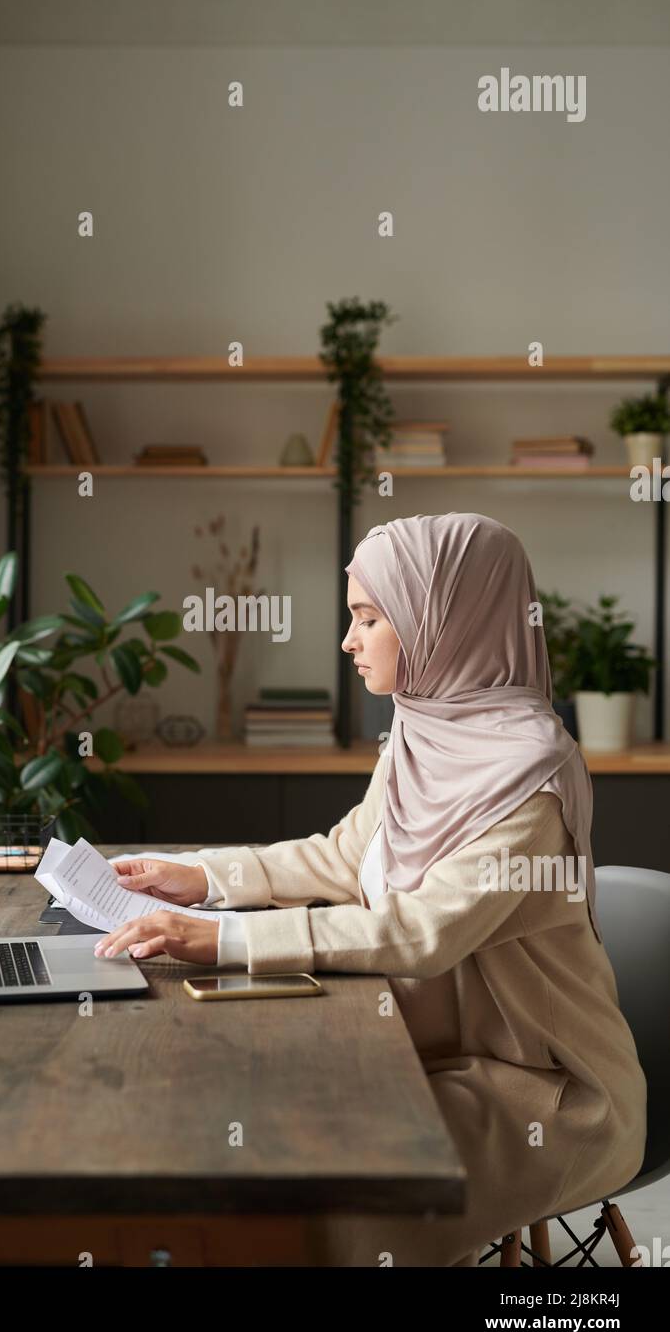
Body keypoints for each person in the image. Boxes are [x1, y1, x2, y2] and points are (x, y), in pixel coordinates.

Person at [94, 512, 647, 1266]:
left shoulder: (532, 779)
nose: (349, 641)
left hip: (548, 1092)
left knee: (342, 1197)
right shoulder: (421, 732)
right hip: (429, 1043)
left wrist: (223, 937)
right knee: (252, 1129)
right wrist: (202, 874)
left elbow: (423, 931)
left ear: (442, 619)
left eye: (368, 618)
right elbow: (348, 854)